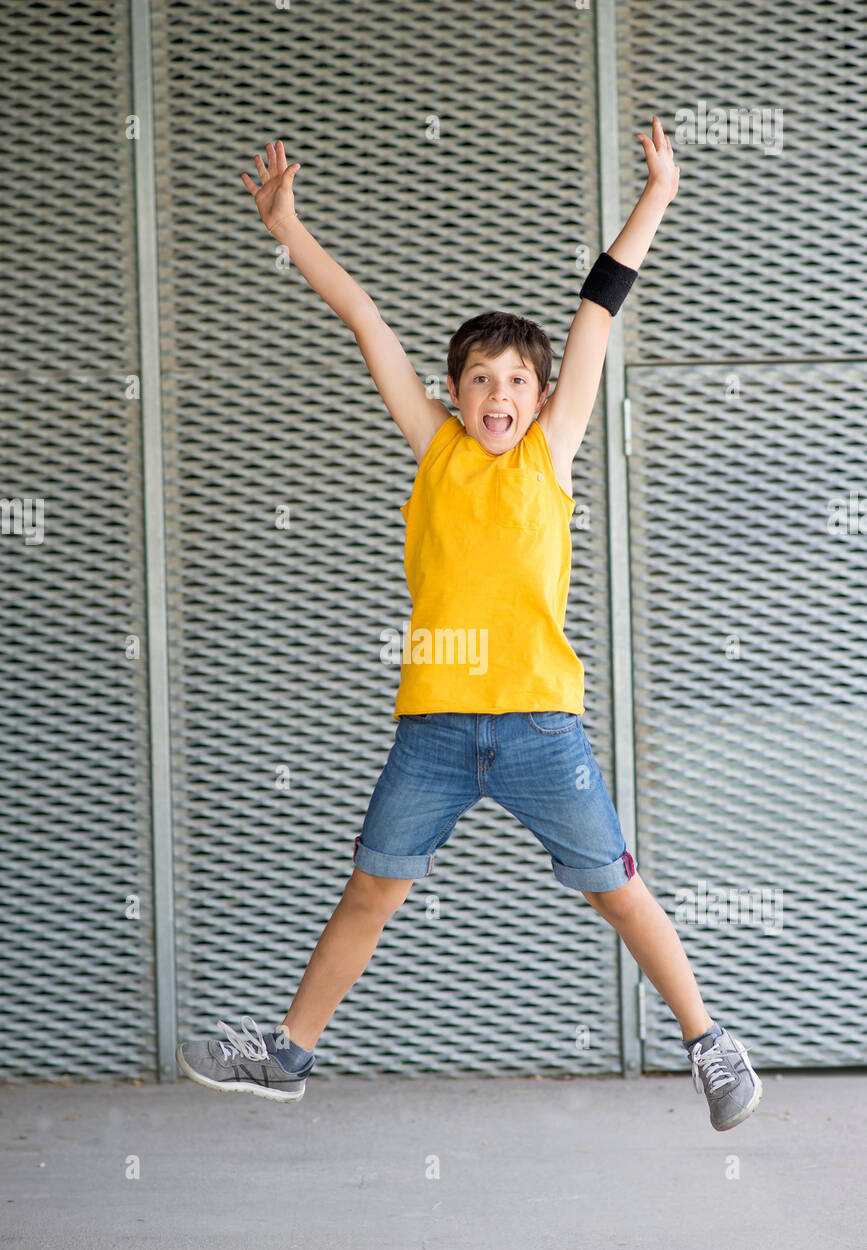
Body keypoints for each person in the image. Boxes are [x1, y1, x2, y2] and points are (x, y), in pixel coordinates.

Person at [177, 120, 762, 1132]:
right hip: (437, 729)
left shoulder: (551, 452)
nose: (499, 396)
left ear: (541, 402)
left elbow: (597, 311)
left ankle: (709, 1040)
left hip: (542, 727)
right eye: (480, 380)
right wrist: (290, 225)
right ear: (453, 394)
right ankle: (286, 1053)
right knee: (369, 891)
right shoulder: (433, 446)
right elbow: (366, 319)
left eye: (516, 383)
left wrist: (658, 194)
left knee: (620, 891)